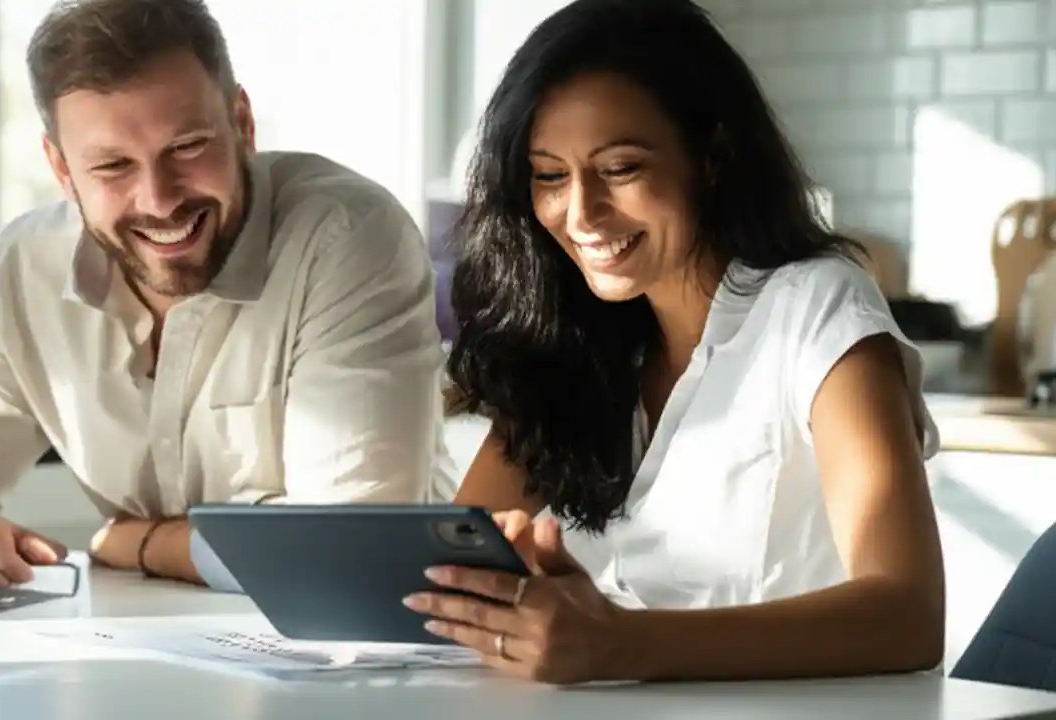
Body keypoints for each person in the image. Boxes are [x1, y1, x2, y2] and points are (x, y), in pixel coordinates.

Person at [404, 0, 945, 685]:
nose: (580, 214)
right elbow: (444, 568)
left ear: (712, 155)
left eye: (621, 168)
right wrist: (522, 593)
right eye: (549, 175)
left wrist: (622, 642)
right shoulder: (570, 343)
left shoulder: (818, 309)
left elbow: (907, 614)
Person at [0, 0, 451, 594]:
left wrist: (137, 542)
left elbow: (348, 550)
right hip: (149, 643)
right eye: (113, 165)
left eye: (188, 146)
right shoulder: (25, 269)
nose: (160, 199)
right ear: (61, 169)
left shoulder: (347, 235)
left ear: (241, 122)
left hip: (368, 652)